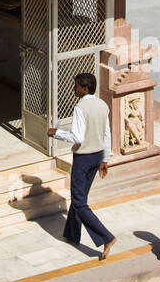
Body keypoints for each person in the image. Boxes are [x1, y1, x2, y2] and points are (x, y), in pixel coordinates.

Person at [48, 72, 116, 261]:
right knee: (81, 196)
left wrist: (57, 133)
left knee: (79, 202)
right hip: (96, 157)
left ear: (85, 88)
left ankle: (106, 237)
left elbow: (77, 137)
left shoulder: (80, 108)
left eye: (77, 86)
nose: (74, 89)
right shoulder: (102, 104)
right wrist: (105, 160)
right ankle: (72, 233)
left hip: (83, 158)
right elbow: (107, 134)